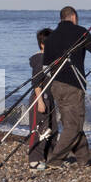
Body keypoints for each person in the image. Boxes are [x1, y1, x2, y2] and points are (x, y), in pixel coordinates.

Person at [41, 6, 91, 167]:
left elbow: (45, 69)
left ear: (61, 18)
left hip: (56, 86)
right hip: (73, 86)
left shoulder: (51, 38)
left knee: (70, 123)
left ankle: (84, 158)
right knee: (74, 126)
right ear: (73, 17)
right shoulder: (81, 32)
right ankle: (55, 160)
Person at [28, 27, 55, 170]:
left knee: (50, 129)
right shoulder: (40, 59)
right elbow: (36, 82)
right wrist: (40, 101)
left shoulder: (50, 59)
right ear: (43, 44)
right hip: (39, 98)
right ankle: (34, 160)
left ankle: (49, 157)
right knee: (38, 130)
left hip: (49, 98)